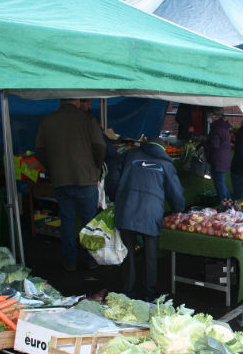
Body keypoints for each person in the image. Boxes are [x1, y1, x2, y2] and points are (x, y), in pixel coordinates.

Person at [107, 133, 185, 301]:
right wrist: (179, 209)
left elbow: (112, 178)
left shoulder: (129, 155)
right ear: (163, 148)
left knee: (128, 253)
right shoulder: (165, 163)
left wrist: (115, 198)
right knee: (150, 256)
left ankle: (129, 292)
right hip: (151, 213)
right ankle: (149, 294)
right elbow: (175, 192)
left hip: (127, 208)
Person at [36, 98, 106, 271]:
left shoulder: (47, 120)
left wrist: (52, 168)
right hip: (86, 177)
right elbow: (100, 146)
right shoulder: (87, 119)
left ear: (60, 100)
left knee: (66, 220)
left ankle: (70, 261)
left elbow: (39, 151)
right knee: (89, 221)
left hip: (61, 179)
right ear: (76, 100)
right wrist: (96, 167)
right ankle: (91, 260)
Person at [205, 108, 233, 202]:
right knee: (221, 183)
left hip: (218, 159)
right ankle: (229, 202)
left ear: (214, 115)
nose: (208, 117)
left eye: (209, 114)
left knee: (219, 183)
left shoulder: (216, 128)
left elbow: (215, 144)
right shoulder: (224, 126)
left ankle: (225, 204)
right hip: (224, 158)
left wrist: (205, 141)